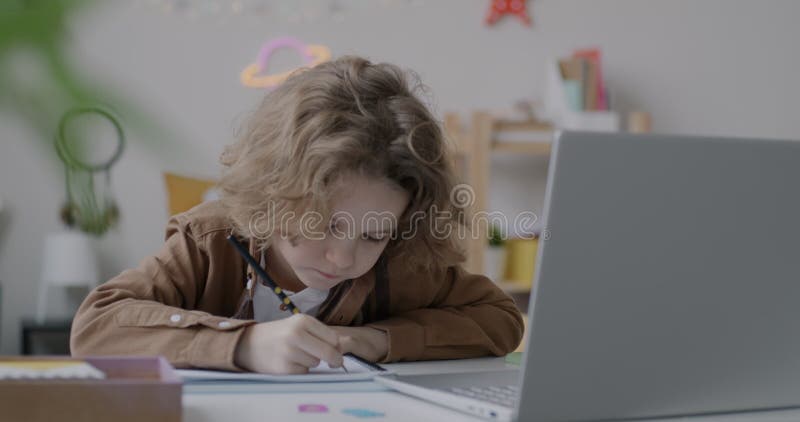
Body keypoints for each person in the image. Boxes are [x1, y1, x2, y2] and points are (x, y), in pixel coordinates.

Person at [70, 56, 524, 374]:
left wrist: (380, 340)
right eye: (326, 224)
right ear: (275, 193)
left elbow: (500, 318)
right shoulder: (210, 240)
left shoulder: (400, 261)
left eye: (374, 234)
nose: (344, 258)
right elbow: (96, 325)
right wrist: (242, 344)